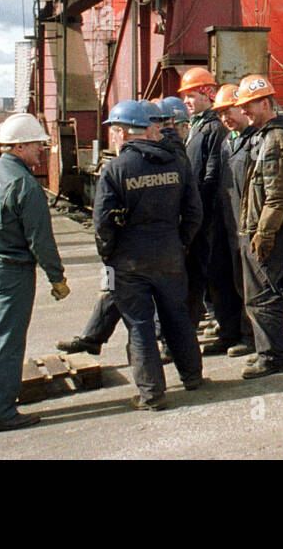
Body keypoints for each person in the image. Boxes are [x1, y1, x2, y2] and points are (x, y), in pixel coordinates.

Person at [0, 112, 70, 432]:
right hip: (11, 272)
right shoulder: (23, 184)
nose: (41, 151)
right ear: (19, 146)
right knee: (7, 342)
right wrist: (56, 277)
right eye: (37, 145)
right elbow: (41, 239)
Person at [93, 100, 203, 409]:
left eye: (114, 131)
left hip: (129, 260)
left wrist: (108, 254)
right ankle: (192, 376)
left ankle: (152, 393)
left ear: (122, 131)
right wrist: (181, 241)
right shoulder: (177, 162)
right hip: (169, 252)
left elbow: (103, 222)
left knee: (139, 324)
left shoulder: (115, 169)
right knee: (177, 316)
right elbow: (194, 212)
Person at [235, 75, 283, 379]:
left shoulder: (276, 140)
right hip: (267, 228)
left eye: (249, 105)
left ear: (265, 102)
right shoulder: (265, 136)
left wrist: (263, 234)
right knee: (261, 293)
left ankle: (273, 356)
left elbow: (277, 196)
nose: (245, 111)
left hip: (271, 231)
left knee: (263, 294)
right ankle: (270, 351)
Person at [181, 68, 241, 356]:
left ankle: (231, 332)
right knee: (210, 275)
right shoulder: (197, 127)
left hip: (212, 216)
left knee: (220, 275)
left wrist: (195, 211)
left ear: (207, 94)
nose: (187, 101)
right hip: (203, 215)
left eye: (191, 96)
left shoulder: (214, 129)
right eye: (185, 97)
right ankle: (222, 324)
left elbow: (211, 175)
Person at [212, 84, 257, 357]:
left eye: (227, 110)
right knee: (233, 282)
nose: (224, 118)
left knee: (251, 286)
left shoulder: (256, 140)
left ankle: (251, 338)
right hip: (231, 225)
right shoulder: (227, 143)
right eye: (219, 114)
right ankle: (235, 332)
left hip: (249, 227)